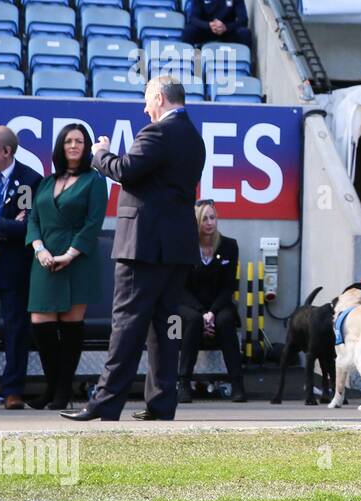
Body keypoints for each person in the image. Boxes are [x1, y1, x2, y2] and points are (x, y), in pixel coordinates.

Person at [62, 77, 207, 422]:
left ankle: (105, 402)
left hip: (143, 247)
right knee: (167, 325)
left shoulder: (157, 133)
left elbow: (125, 169)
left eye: (146, 100)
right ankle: (162, 402)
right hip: (175, 251)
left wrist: (100, 155)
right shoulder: (194, 138)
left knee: (126, 324)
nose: (145, 108)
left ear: (158, 97)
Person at [25, 123, 106, 411]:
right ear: (61, 146)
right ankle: (52, 388)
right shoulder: (46, 182)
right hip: (44, 260)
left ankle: (62, 392)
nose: (74, 145)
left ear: (86, 147)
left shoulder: (95, 180)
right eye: (69, 141)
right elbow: (33, 219)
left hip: (77, 261)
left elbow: (93, 222)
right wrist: (39, 249)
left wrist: (69, 255)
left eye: (80, 141)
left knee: (71, 328)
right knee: (41, 325)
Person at [0, 125, 40, 411]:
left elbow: (24, 228)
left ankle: (13, 391)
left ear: (6, 151)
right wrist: (4, 226)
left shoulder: (28, 181)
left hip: (14, 268)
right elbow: (13, 225)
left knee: (17, 331)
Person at [173, 200, 245, 403]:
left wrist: (212, 312)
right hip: (189, 305)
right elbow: (181, 287)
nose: (210, 223)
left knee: (225, 321)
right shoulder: (185, 246)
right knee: (194, 320)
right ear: (196, 222)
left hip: (218, 305)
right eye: (205, 218)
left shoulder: (229, 246)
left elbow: (229, 286)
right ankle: (183, 383)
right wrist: (202, 313)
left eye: (212, 217)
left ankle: (237, 384)